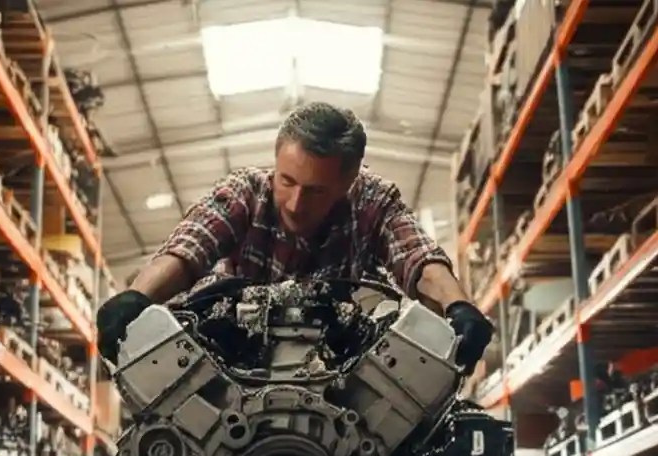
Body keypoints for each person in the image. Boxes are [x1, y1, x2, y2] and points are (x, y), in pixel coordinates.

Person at [96, 101, 493, 371]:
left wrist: (459, 306)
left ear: (349, 181)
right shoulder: (246, 192)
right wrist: (136, 298)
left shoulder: (372, 199)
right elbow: (190, 246)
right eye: (287, 181)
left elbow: (417, 257)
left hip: (343, 368)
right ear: (275, 163)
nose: (295, 203)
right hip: (233, 365)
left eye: (316, 190)